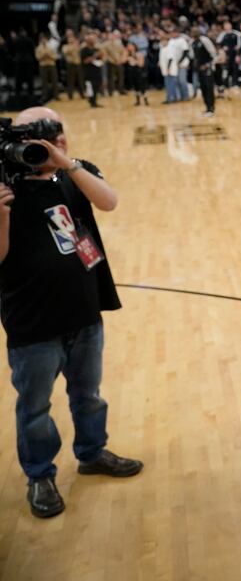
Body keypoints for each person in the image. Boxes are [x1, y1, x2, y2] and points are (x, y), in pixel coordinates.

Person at [0, 107, 142, 519]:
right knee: (36, 408)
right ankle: (40, 474)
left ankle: (92, 453)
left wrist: (66, 164)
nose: (53, 137)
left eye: (57, 129)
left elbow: (109, 201)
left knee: (88, 396)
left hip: (84, 313)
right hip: (33, 323)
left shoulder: (75, 175)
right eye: (41, 132)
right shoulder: (7, 187)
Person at [190, 26, 218, 117]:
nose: (194, 32)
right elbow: (193, 56)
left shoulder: (205, 40)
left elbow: (213, 54)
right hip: (199, 69)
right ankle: (207, 108)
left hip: (208, 68)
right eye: (193, 31)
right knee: (203, 89)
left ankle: (211, 108)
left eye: (196, 31)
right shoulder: (192, 42)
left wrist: (207, 65)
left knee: (209, 88)